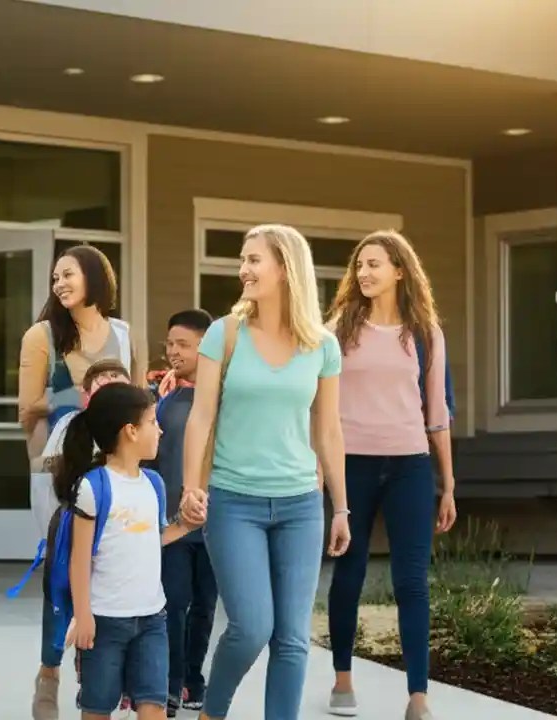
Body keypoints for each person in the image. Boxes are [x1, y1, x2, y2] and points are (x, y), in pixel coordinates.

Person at [180, 224, 352, 720]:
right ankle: (213, 711)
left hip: (301, 504)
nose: (243, 269)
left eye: (254, 260)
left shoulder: (322, 344)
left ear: (285, 267)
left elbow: (330, 432)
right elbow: (201, 416)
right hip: (234, 501)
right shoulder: (224, 333)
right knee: (252, 626)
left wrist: (340, 507)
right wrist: (192, 487)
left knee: (293, 638)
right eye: (243, 259)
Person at [323, 231, 458, 720]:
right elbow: (321, 406)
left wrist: (449, 484)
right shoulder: (338, 328)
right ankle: (342, 680)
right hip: (351, 465)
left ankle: (418, 696)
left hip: (410, 466)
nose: (364, 273)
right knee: (350, 571)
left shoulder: (425, 332)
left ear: (400, 270)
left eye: (375, 264)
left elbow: (437, 412)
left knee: (412, 582)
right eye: (360, 265)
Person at [17, 244, 136, 720]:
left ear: (93, 277)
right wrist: (84, 394)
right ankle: (49, 672)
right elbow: (28, 409)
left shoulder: (123, 334)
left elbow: (135, 402)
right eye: (55, 278)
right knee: (64, 574)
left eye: (68, 274)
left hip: (115, 467)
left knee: (109, 572)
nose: (59, 284)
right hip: (60, 470)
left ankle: (97, 676)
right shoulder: (41, 335)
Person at [55, 382, 205, 720]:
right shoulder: (93, 487)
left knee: (153, 707)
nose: (160, 429)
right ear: (130, 431)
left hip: (153, 619)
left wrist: (187, 527)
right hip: (104, 622)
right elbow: (80, 559)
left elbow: (154, 537)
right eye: (153, 422)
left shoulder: (153, 484)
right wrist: (84, 615)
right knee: (98, 708)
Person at [147, 309, 217, 716]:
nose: (173, 351)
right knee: (173, 603)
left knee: (206, 606)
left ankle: (194, 680)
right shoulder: (164, 398)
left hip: (216, 524)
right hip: (172, 525)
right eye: (169, 344)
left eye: (183, 345)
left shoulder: (223, 397)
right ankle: (169, 685)